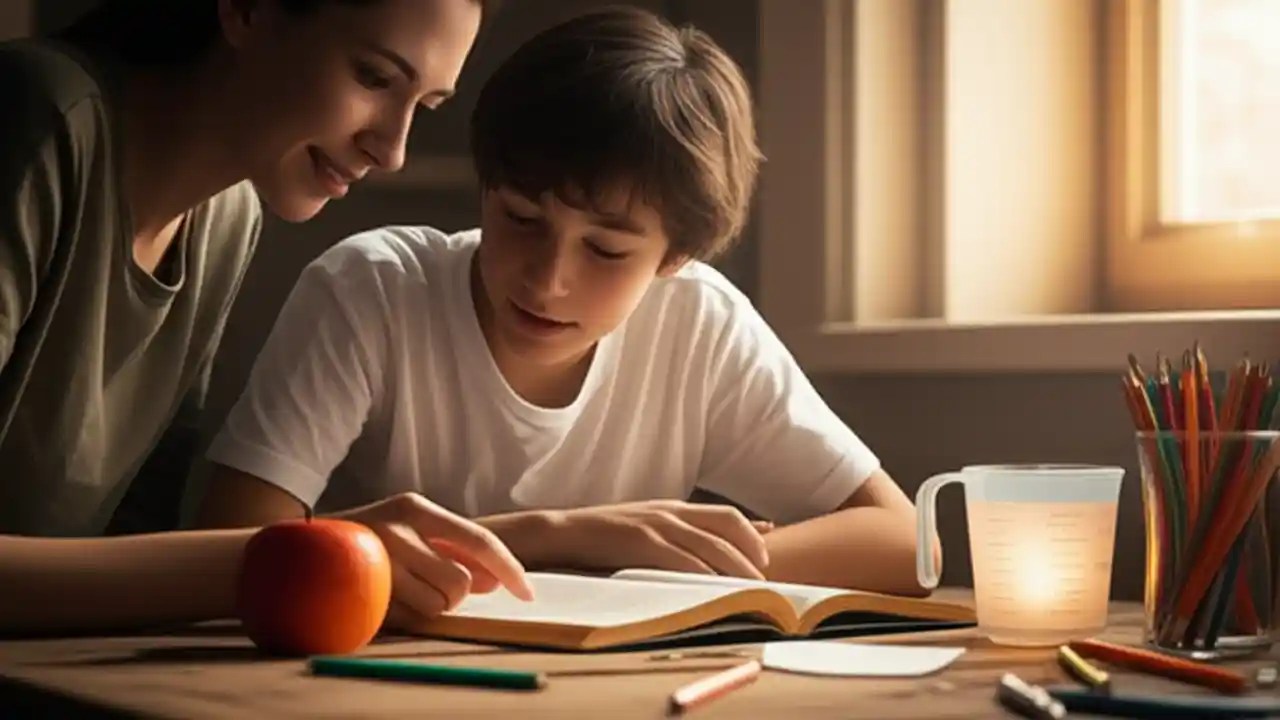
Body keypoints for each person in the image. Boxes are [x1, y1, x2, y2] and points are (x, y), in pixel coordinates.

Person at [197, 6, 935, 627]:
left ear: (673, 259)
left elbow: (904, 541)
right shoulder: (377, 292)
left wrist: (659, 556)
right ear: (485, 190)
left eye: (608, 252)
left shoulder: (698, 326)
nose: (548, 280)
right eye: (520, 219)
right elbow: (224, 542)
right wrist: (561, 540)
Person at [0, 0, 533, 636]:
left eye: (424, 107)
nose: (391, 149)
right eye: (372, 77)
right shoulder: (38, 117)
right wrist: (314, 561)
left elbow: (135, 536)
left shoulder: (226, 219)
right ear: (249, 12)